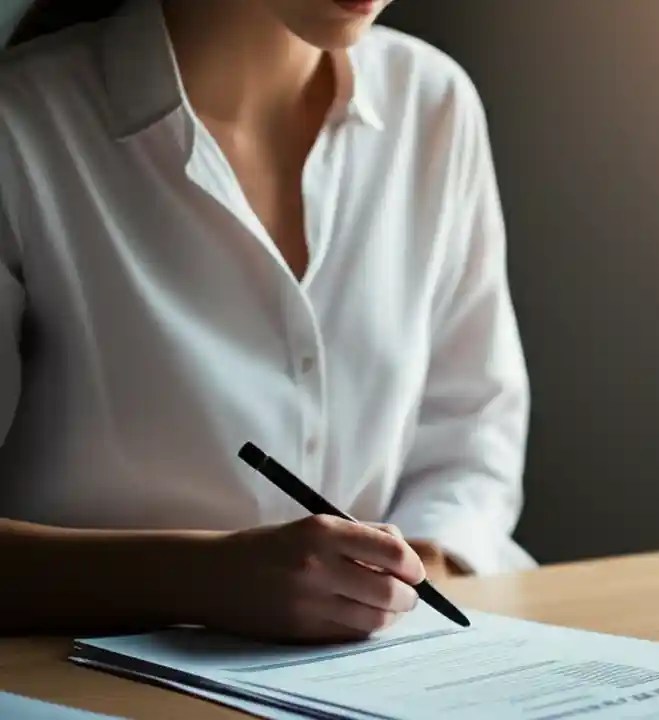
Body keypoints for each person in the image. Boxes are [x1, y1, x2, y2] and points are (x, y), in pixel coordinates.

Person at [0, 0, 533, 641]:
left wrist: (417, 569)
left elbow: (473, 434)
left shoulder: (431, 101)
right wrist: (198, 578)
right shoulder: (22, 127)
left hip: (378, 671)